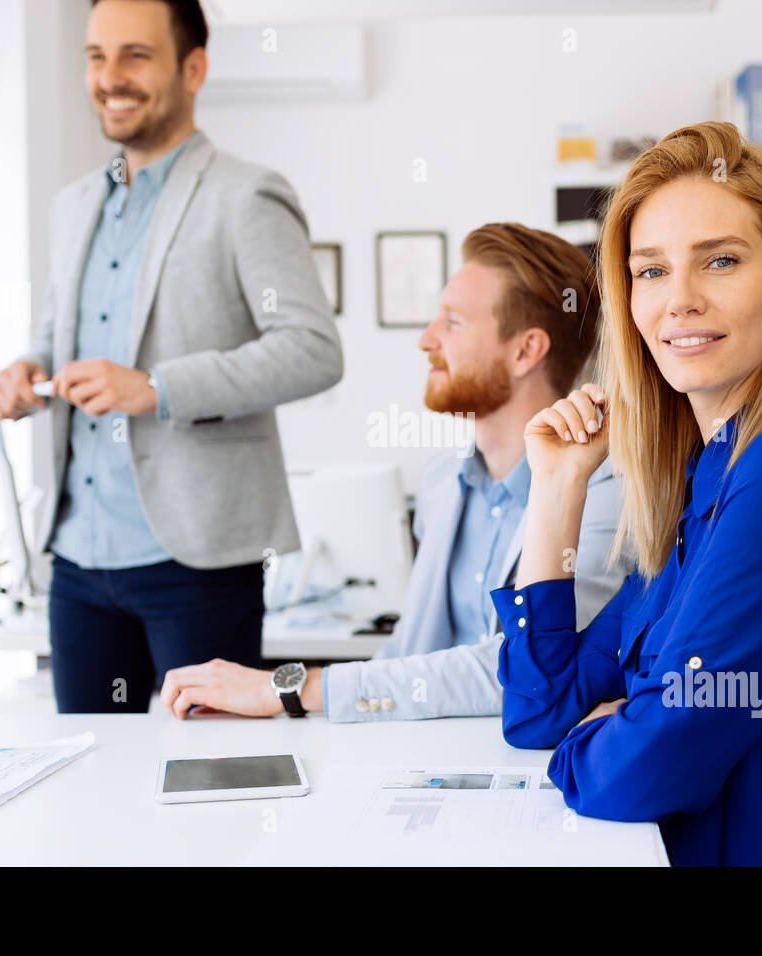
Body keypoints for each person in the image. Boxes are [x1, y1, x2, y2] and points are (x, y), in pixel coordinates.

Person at [491, 121, 762, 866]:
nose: (679, 301)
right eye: (651, 271)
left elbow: (656, 761)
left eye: (719, 261)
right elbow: (541, 709)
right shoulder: (705, 483)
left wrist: (600, 738)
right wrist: (558, 487)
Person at [0, 0, 342, 713]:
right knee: (90, 778)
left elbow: (312, 351)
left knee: (213, 783)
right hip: (78, 559)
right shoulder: (74, 204)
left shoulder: (246, 195)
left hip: (198, 558)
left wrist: (156, 387)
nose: (109, 77)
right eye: (95, 56)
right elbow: (57, 334)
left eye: (135, 56)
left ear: (193, 68)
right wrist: (26, 372)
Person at [160, 223, 630, 722]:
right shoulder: (441, 484)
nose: (427, 340)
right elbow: (410, 655)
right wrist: (285, 702)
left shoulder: (605, 493)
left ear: (525, 351)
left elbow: (523, 670)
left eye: (452, 322)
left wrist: (292, 687)